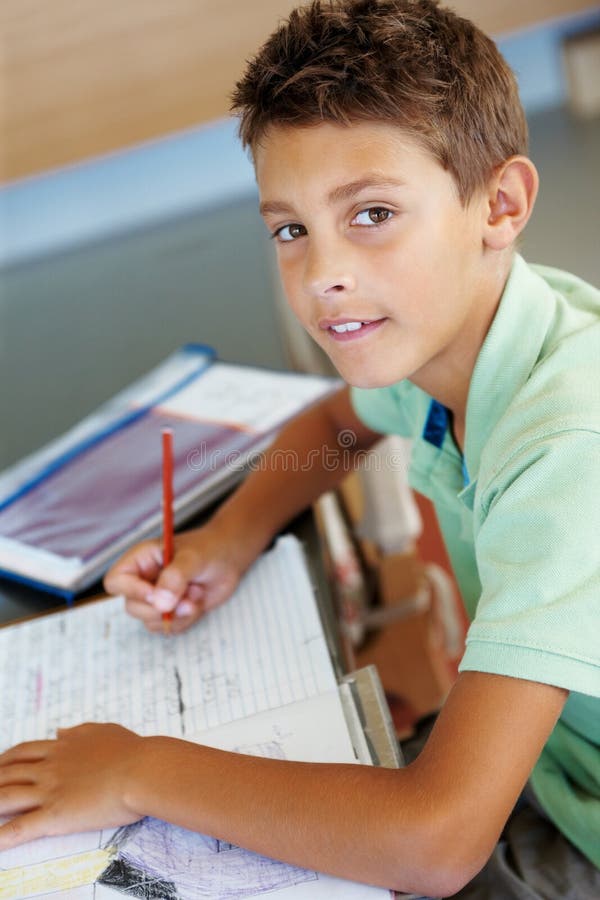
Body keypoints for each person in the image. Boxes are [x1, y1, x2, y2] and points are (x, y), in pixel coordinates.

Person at [1, 1, 598, 896]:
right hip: (553, 760)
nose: (322, 278)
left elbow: (436, 845)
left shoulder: (571, 449)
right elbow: (339, 422)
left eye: (372, 213)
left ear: (500, 204)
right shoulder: (459, 329)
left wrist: (137, 770)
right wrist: (229, 538)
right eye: (291, 229)